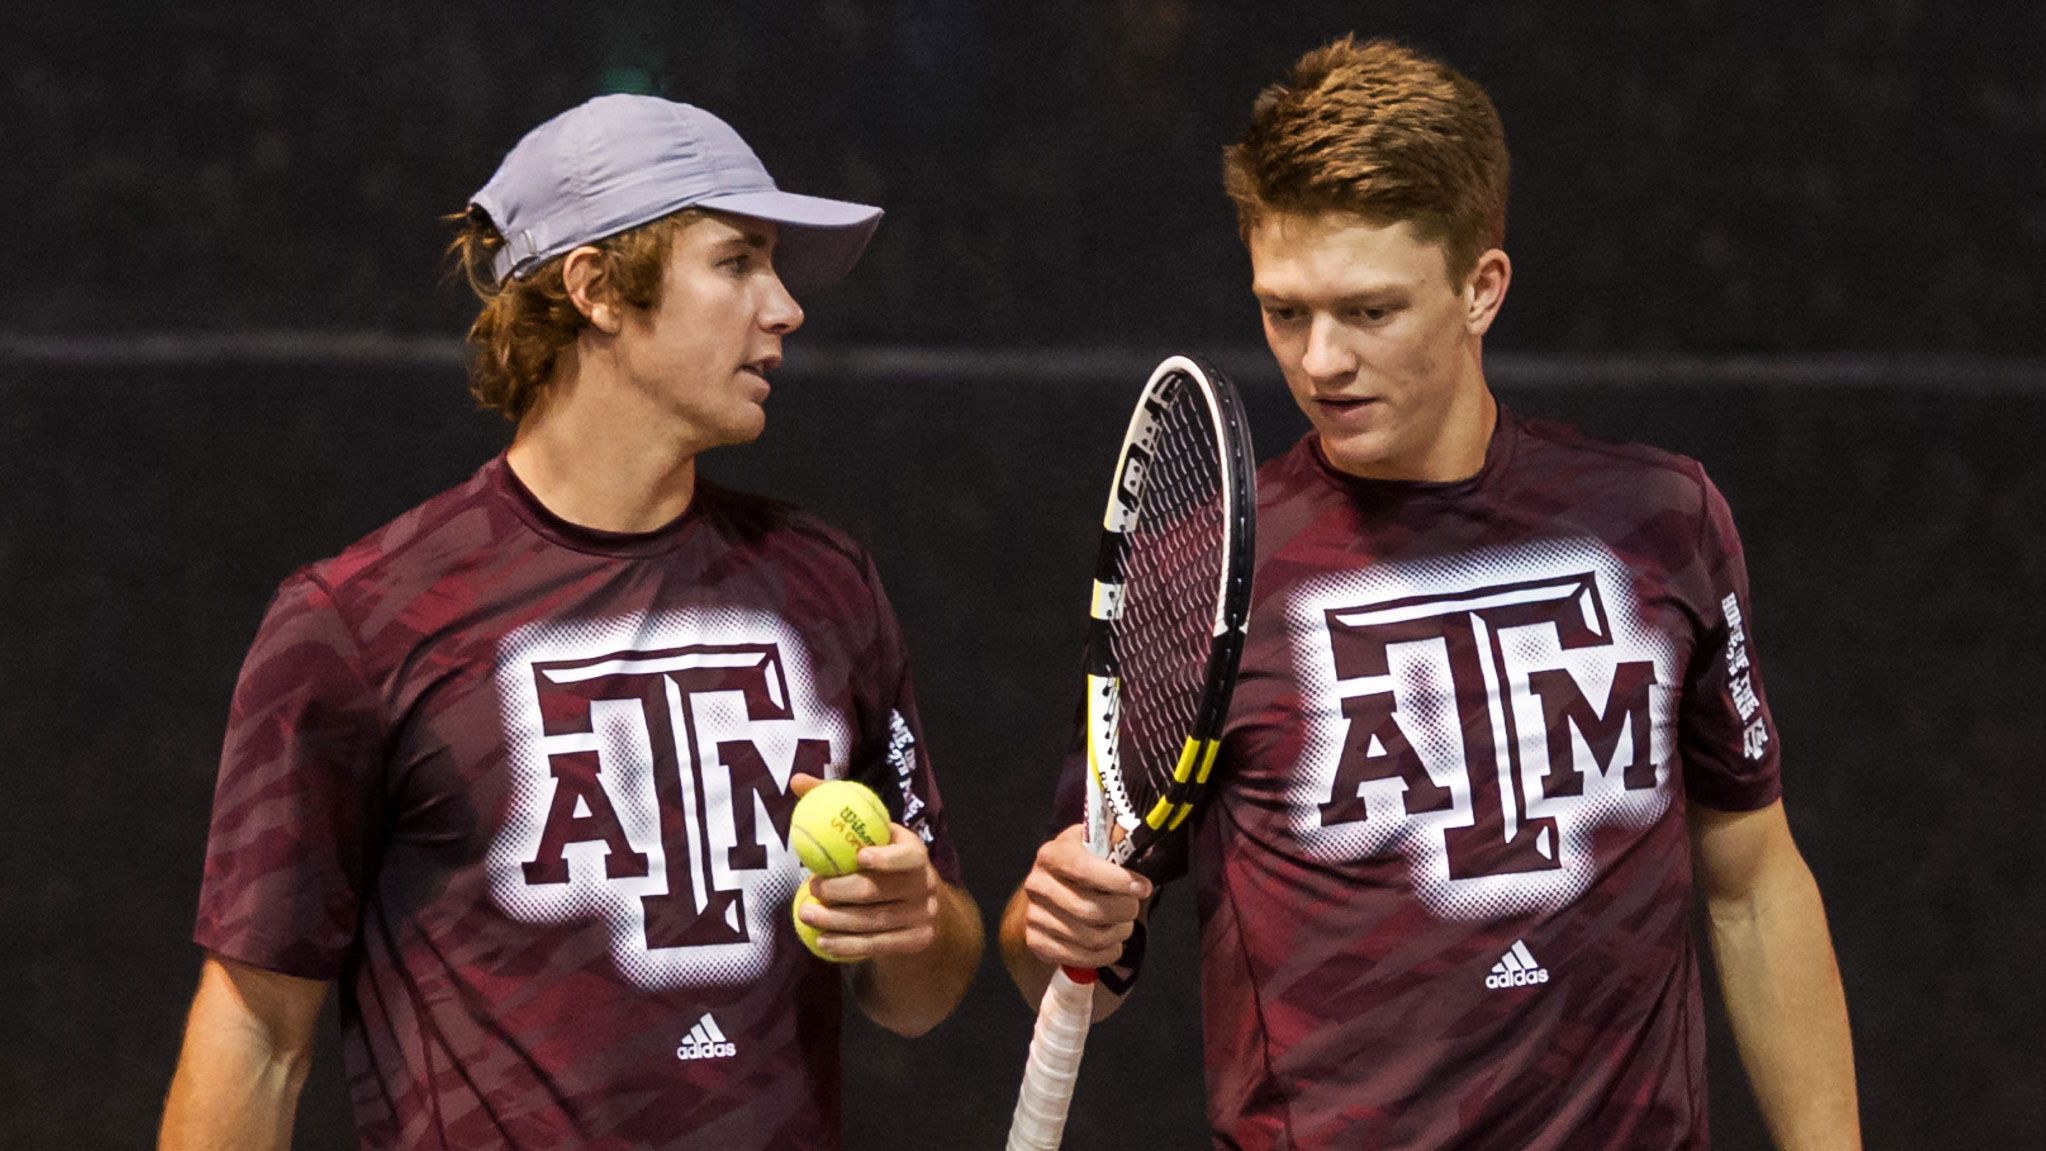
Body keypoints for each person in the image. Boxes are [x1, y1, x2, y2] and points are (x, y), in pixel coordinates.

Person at [1001, 36, 1859, 1150]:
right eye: (1283, 310)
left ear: (1480, 288)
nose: (1319, 362)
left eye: (1369, 311)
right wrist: (1062, 925)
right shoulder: (1204, 570)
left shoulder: (1664, 518)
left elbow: (1752, 880)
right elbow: (1068, 953)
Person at [161, 94, 983, 1151]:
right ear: (595, 287)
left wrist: (913, 921)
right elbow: (258, 1035)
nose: (785, 307)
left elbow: (923, 989)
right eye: (737, 262)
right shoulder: (355, 622)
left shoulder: (828, 583)